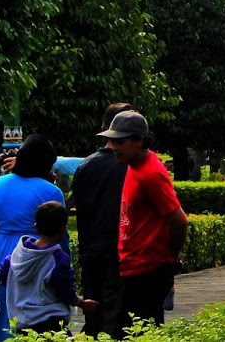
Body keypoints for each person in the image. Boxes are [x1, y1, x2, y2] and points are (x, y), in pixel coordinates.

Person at [100, 110, 187, 335]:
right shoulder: (133, 164)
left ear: (139, 141)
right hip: (133, 266)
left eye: (120, 141)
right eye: (111, 140)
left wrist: (171, 256)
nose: (113, 147)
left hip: (147, 269)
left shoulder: (150, 173)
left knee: (138, 332)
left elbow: (179, 220)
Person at [0, 136, 67, 341]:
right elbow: (59, 234)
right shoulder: (52, 191)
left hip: (0, 254)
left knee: (1, 313)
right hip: (40, 256)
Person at [72, 102, 132, 338]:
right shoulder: (129, 167)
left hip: (90, 254)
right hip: (119, 255)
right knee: (118, 322)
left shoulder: (86, 165)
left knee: (93, 320)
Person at [0, 200, 95, 334]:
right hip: (51, 323)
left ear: (36, 227)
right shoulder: (57, 258)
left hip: (21, 324)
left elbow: (3, 275)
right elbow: (65, 290)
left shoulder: (16, 256)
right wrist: (81, 303)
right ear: (63, 229)